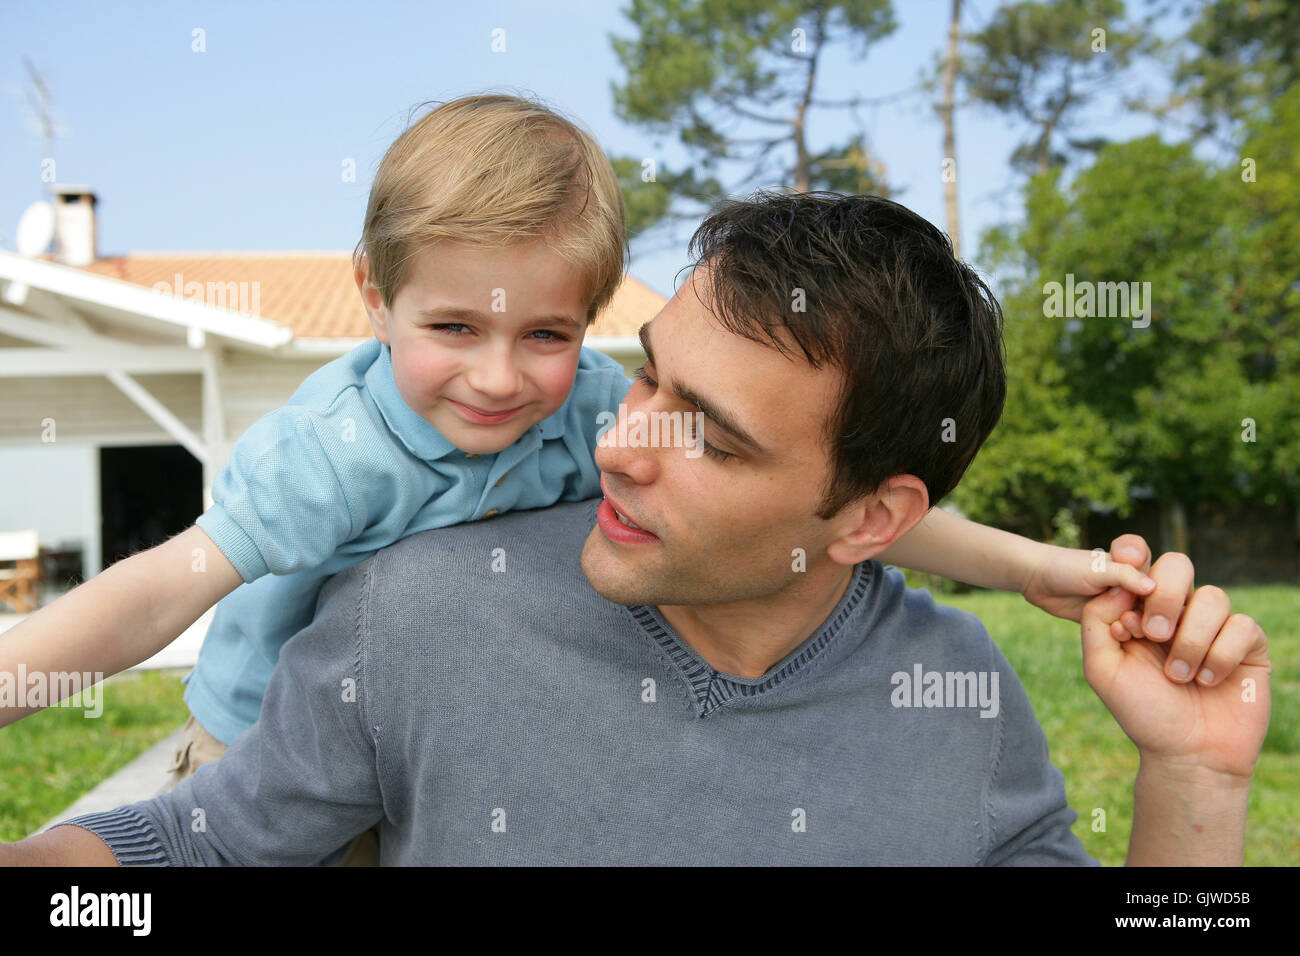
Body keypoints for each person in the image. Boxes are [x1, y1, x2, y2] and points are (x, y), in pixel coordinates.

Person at [0, 192, 1269, 865]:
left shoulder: (962, 697)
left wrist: (1195, 781)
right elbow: (197, 845)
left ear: (869, 516)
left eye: (706, 433)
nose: (617, 435)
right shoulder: (414, 611)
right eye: (647, 374)